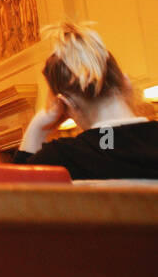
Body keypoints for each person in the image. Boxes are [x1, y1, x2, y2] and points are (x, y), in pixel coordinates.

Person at [12, 21, 158, 179]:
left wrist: (38, 127)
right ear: (126, 82)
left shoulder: (60, 158)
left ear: (66, 104)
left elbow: (13, 197)